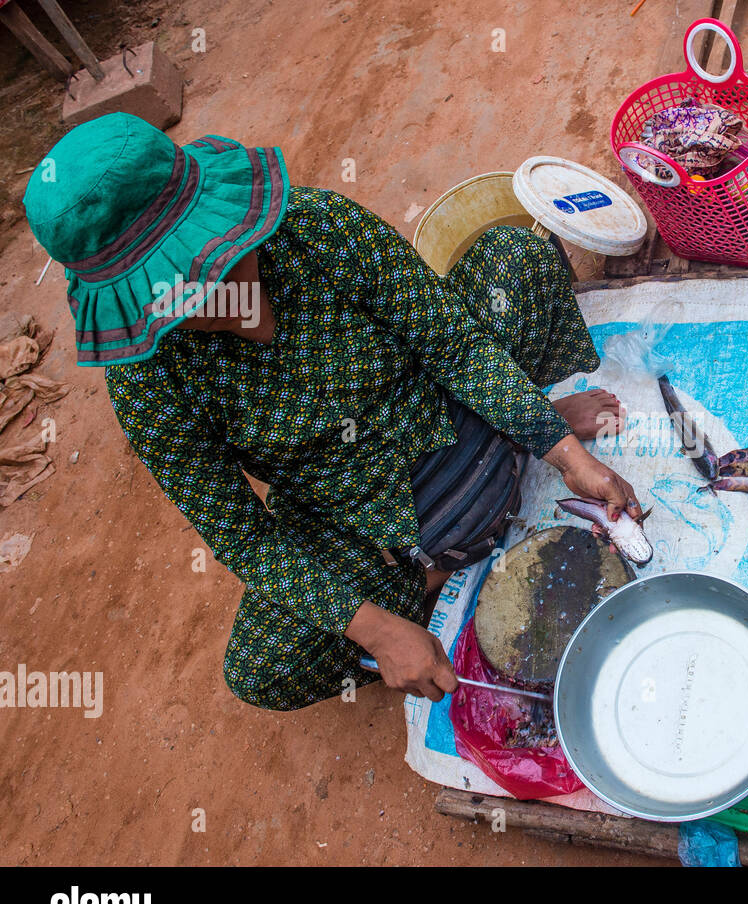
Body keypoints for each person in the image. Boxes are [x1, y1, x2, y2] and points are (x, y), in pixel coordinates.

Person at [23, 112, 642, 711]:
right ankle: (425, 570)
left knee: (515, 258)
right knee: (261, 669)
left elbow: (450, 340)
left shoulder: (315, 226)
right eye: (171, 290)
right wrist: (374, 630)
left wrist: (562, 451)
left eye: (206, 261)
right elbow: (241, 532)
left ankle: (524, 427)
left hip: (439, 403)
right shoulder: (144, 378)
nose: (206, 292)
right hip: (353, 512)